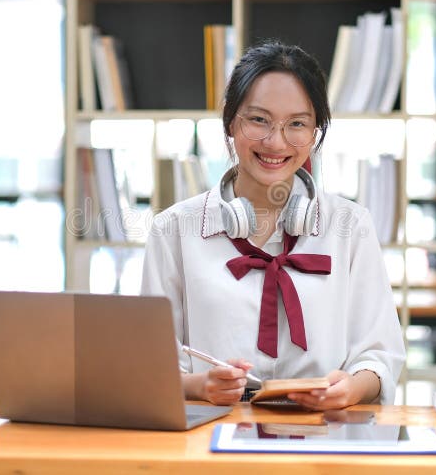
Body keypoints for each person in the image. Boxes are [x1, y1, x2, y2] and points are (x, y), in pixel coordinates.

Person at [141, 41, 405, 409]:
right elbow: (154, 365)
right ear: (231, 123)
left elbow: (379, 357)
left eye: (297, 124)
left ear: (315, 134)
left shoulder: (351, 226)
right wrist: (201, 386)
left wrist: (351, 389)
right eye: (259, 120)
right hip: (211, 435)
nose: (276, 141)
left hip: (324, 438)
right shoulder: (172, 231)